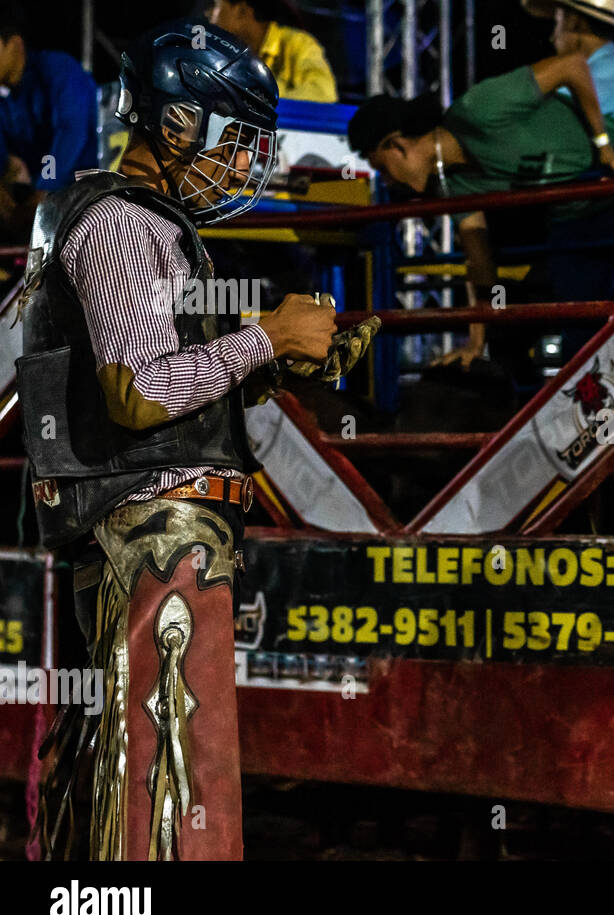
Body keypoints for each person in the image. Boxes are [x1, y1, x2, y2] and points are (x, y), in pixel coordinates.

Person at [22, 19, 373, 861]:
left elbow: (159, 376)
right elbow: (138, 390)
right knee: (169, 775)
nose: (247, 164)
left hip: (158, 535)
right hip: (151, 536)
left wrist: (275, 358)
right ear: (177, 127)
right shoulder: (118, 225)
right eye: (235, 140)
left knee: (155, 769)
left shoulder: (146, 226)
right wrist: (263, 338)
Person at [348, 53, 614, 370]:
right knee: (551, 335)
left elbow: (573, 65)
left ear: (397, 145)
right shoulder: (453, 183)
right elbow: (479, 262)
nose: (389, 181)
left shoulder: (478, 109)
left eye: (382, 167)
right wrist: (476, 342)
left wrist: (603, 143)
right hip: (580, 221)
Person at [0, 3, 97, 238]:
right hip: (36, 207)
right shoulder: (5, 95)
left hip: (85, 198)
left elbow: (70, 133)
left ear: (14, 43)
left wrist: (44, 189)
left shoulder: (57, 70)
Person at [522, 0, 614, 132]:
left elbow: (537, 116)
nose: (552, 38)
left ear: (574, 21)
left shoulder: (613, 73)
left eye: (557, 23)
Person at [206, 0, 338, 102]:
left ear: (241, 11)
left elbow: (324, 93)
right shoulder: (218, 51)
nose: (208, 14)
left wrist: (255, 100)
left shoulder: (299, 44)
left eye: (216, 5)